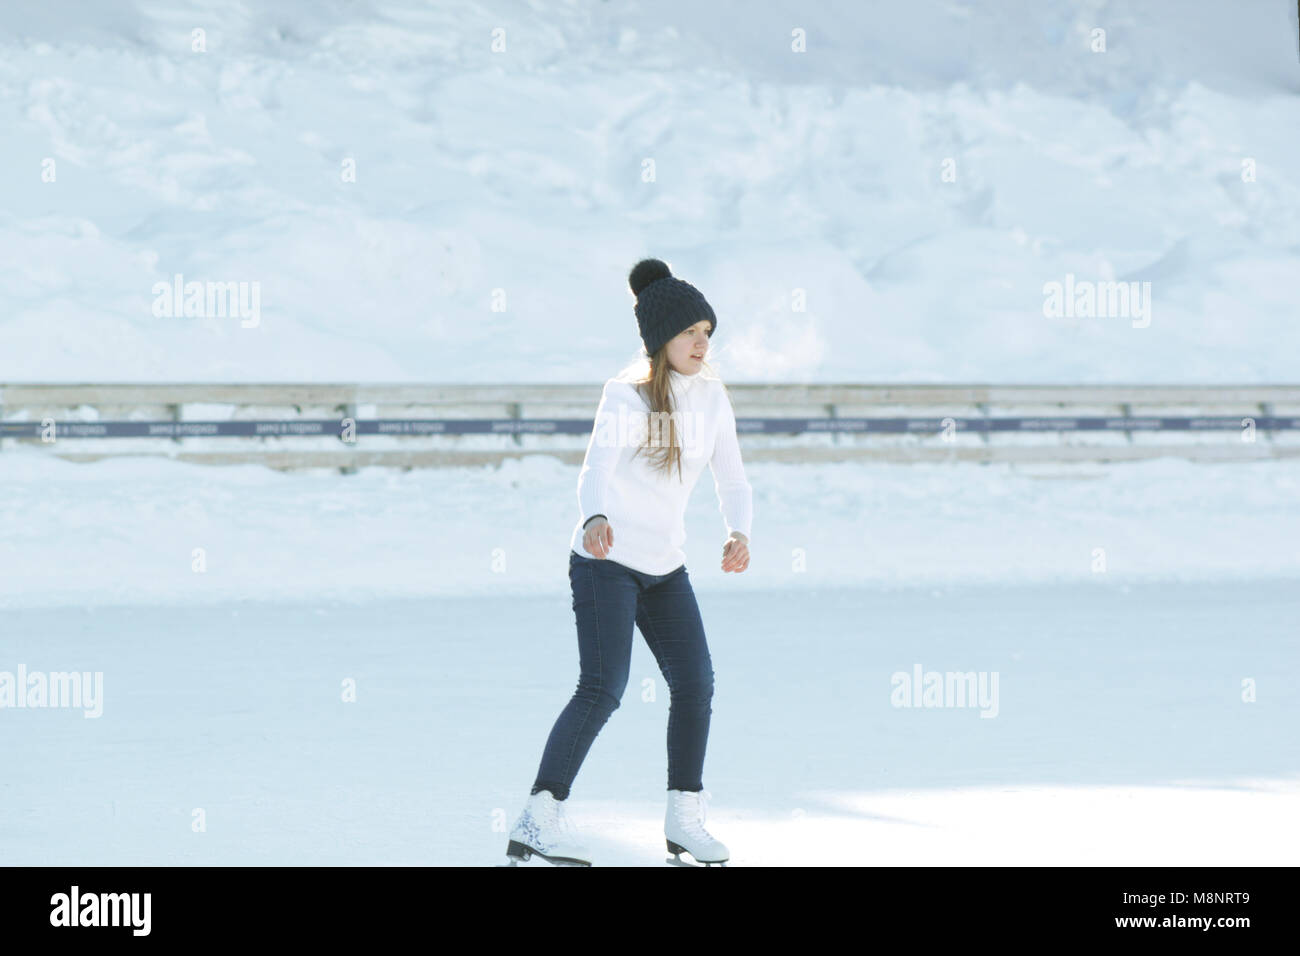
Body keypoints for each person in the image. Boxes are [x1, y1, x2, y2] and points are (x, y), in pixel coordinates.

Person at [504, 258, 752, 867]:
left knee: (695, 684)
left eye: (707, 333)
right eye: (690, 332)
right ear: (660, 338)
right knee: (603, 687)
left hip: (665, 567)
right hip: (605, 562)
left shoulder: (713, 398)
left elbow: (733, 477)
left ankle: (684, 819)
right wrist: (594, 519)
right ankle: (538, 818)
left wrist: (738, 530)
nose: (701, 343)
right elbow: (595, 469)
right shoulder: (626, 395)